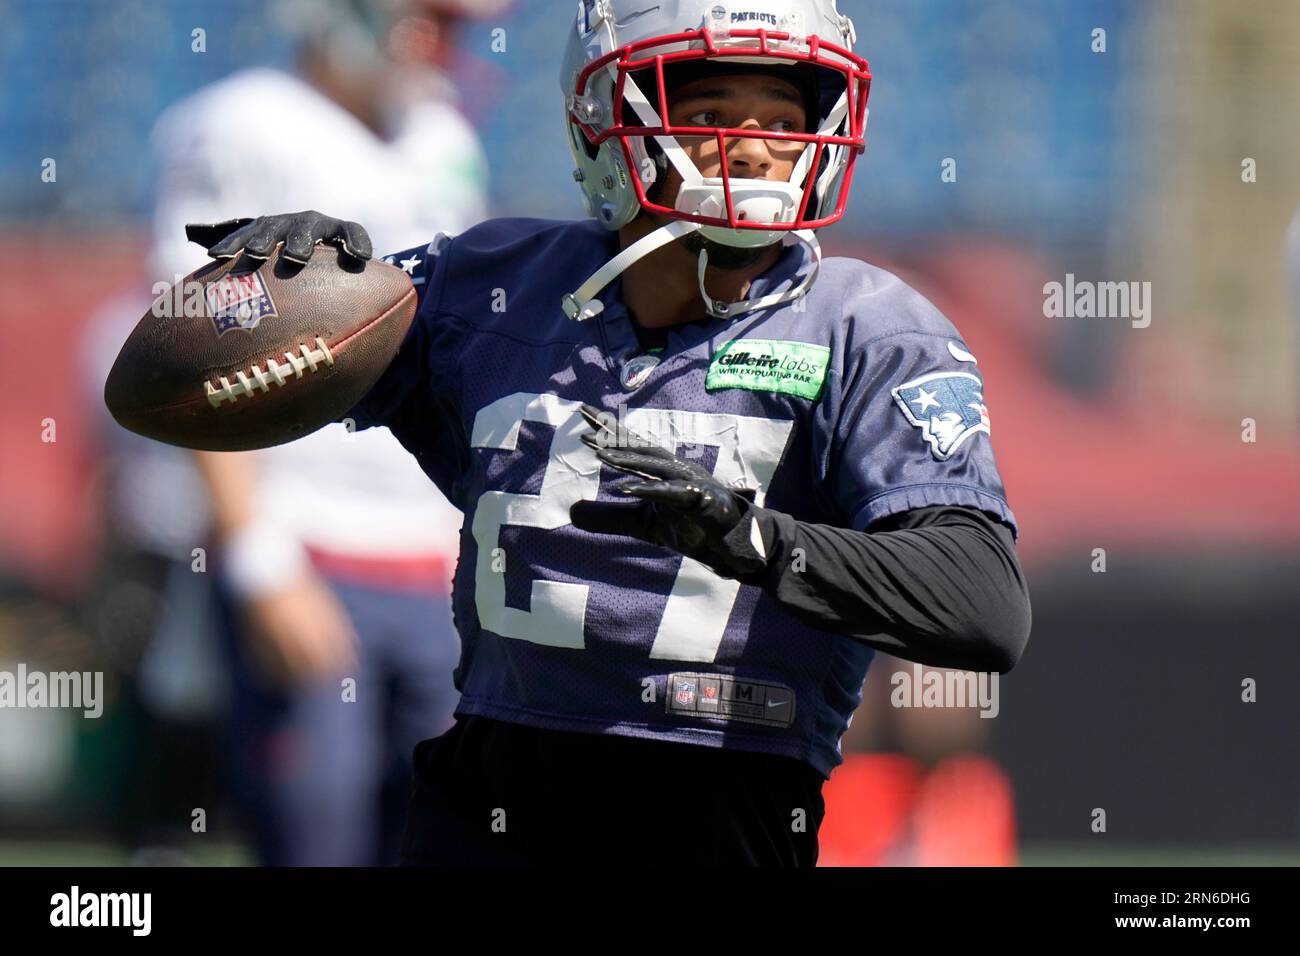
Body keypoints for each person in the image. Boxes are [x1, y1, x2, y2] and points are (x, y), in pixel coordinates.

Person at [180, 0, 1031, 866]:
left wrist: (756, 540)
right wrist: (264, 294)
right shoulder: (490, 285)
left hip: (724, 812)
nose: (757, 144)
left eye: (784, 117)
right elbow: (200, 379)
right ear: (605, 120)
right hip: (485, 809)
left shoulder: (867, 329)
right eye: (708, 115)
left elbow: (983, 603)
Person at [151, 0, 505, 865]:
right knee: (317, 836)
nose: (445, 45)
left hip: (434, 561)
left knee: (442, 838)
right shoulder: (240, 125)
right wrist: (259, 559)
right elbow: (198, 359)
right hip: (311, 546)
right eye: (432, 20)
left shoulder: (440, 136)